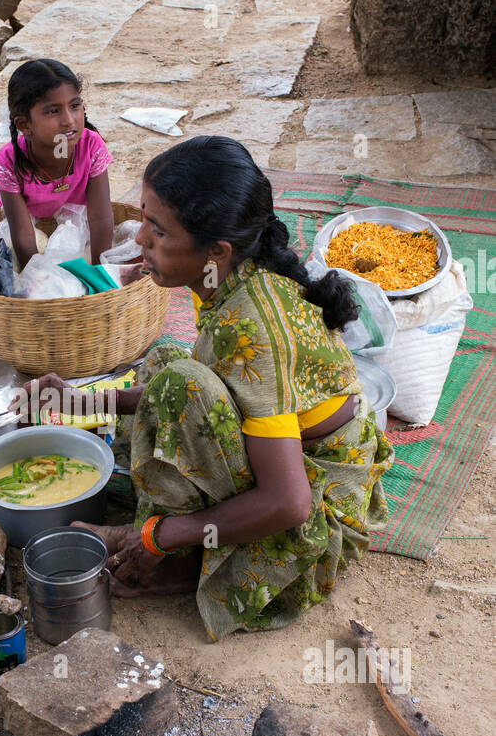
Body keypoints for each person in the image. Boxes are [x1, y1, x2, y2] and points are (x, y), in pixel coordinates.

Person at [34, 136, 395, 642]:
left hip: (313, 508)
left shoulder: (251, 326)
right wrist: (83, 401)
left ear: (214, 251)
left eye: (158, 231)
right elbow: (220, 385)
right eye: (145, 220)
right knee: (165, 360)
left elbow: (289, 503)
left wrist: (154, 536)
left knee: (180, 381)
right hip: (283, 454)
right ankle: (183, 540)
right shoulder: (229, 281)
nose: (140, 240)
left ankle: (185, 562)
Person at [0, 58, 114, 271]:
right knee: (9, 254)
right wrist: (37, 280)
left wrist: (101, 273)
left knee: (88, 255)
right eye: (53, 111)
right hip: (27, 225)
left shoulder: (91, 146)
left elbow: (100, 217)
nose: (69, 120)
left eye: (74, 106)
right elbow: (23, 236)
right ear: (24, 124)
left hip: (72, 221)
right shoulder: (8, 160)